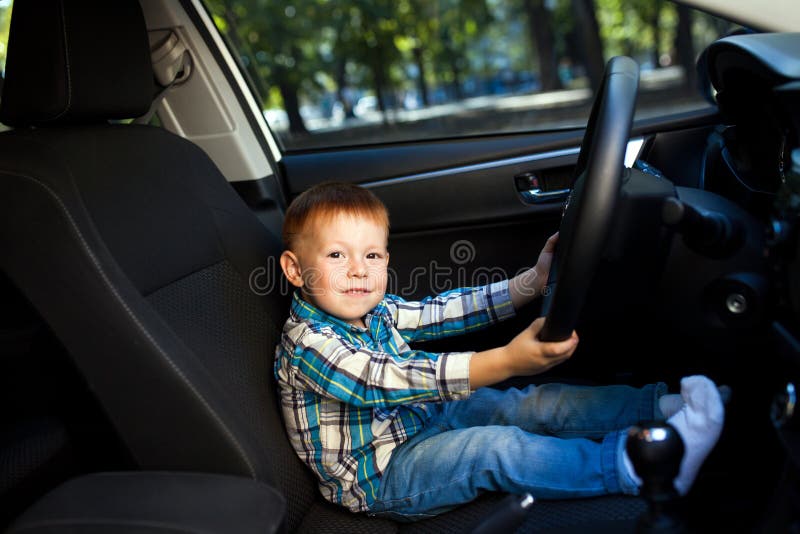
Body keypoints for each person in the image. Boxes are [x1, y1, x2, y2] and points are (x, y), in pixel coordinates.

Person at [274, 181, 725, 520]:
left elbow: (441, 312)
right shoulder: (308, 345)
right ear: (295, 270)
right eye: (337, 256)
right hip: (383, 475)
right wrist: (505, 360)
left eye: (372, 256)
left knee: (532, 403)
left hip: (424, 418)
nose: (358, 271)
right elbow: (388, 379)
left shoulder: (373, 310)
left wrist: (528, 284)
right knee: (494, 449)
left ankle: (661, 406)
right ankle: (633, 468)